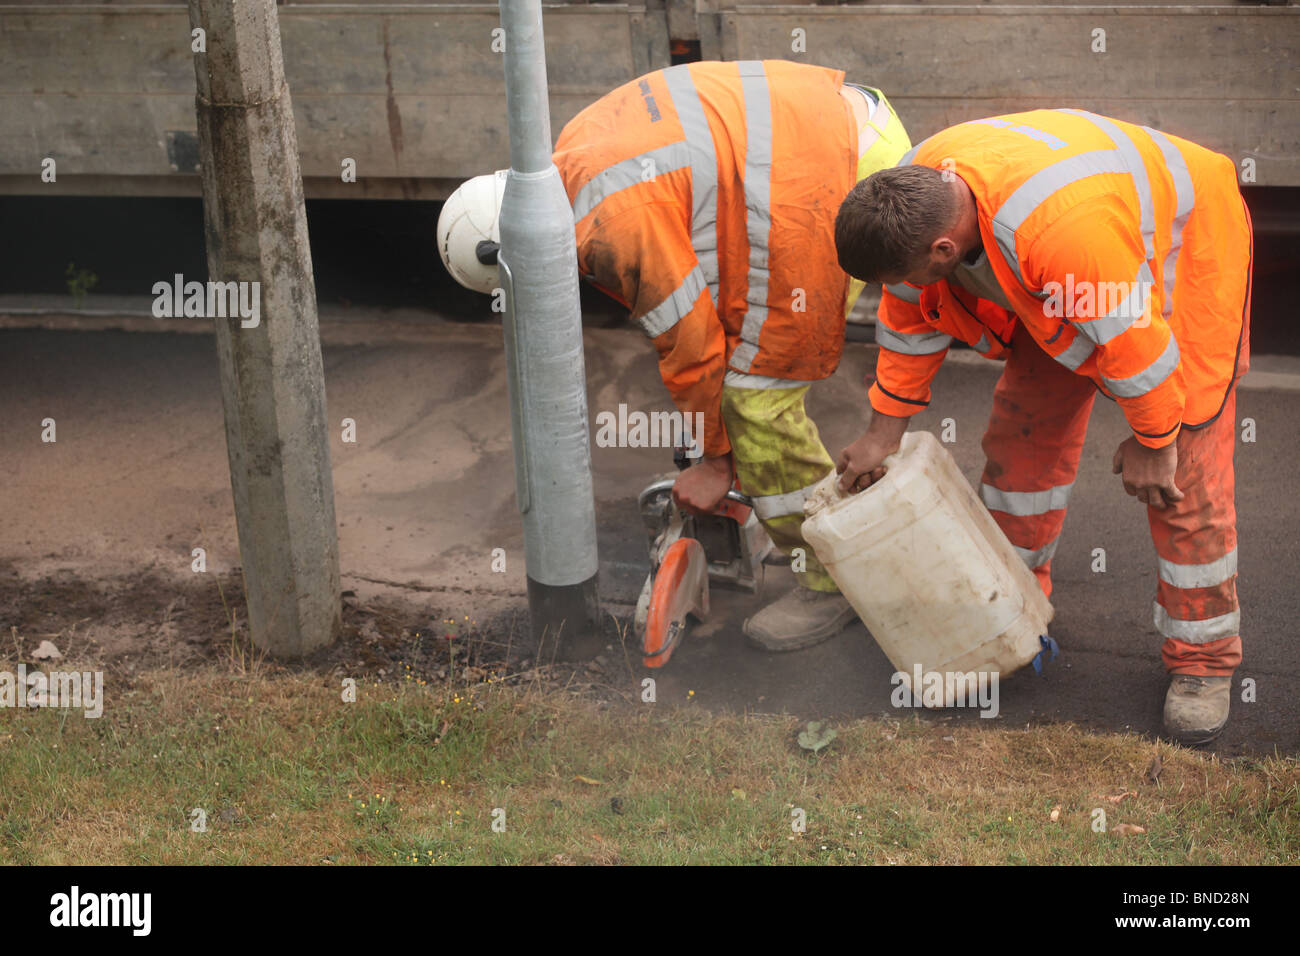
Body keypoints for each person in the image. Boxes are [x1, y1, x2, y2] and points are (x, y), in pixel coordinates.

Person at [440, 60, 912, 650]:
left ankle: (834, 579)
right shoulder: (569, 164)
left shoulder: (612, 225)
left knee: (755, 400)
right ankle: (776, 505)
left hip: (833, 178)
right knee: (739, 372)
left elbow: (690, 343)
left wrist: (716, 461)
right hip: (828, 133)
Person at [833, 109, 1251, 744]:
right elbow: (911, 318)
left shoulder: (1062, 237)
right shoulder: (915, 198)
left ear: (944, 250)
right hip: (1067, 271)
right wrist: (883, 433)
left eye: (903, 275)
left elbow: (1142, 350)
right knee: (1020, 443)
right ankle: (1009, 611)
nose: (895, 290)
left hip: (1181, 252)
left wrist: (1154, 442)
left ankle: (1203, 662)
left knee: (1183, 478)